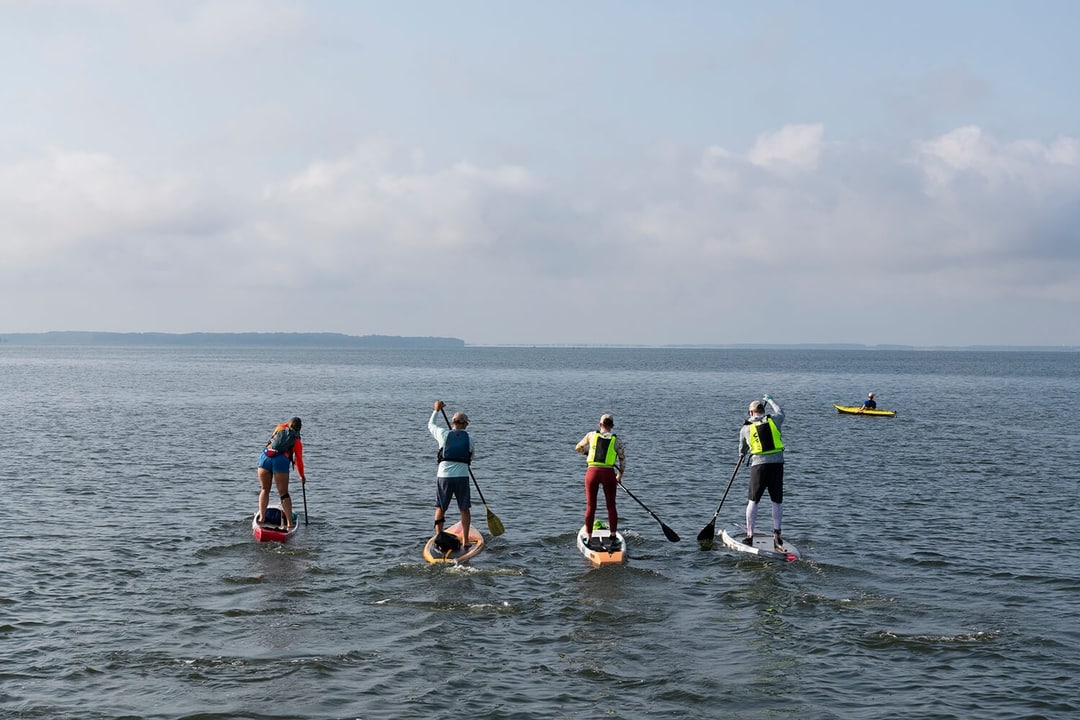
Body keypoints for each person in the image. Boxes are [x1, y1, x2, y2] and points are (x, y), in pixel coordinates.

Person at [739, 395, 786, 550]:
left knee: (753, 501)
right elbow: (781, 411)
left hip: (759, 466)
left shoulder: (745, 428)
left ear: (751, 412)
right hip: (777, 465)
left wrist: (742, 454)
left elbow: (742, 449)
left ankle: (750, 535)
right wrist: (771, 400)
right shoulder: (774, 420)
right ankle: (777, 534)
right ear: (763, 410)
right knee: (776, 500)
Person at [574, 413, 626, 550]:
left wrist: (588, 453)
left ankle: (588, 537)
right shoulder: (617, 441)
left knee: (591, 505)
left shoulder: (591, 435)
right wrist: (619, 476)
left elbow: (578, 447)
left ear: (600, 425)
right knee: (611, 506)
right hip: (608, 474)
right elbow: (622, 460)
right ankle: (613, 537)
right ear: (612, 426)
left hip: (592, 473)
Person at [428, 400, 475, 550]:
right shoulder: (470, 439)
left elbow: (430, 425)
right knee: (464, 509)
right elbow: (470, 457)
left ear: (453, 422)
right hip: (462, 476)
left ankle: (439, 538)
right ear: (465, 425)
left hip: (444, 476)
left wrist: (436, 410)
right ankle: (466, 541)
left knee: (440, 508)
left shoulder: (443, 434)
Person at [256, 416, 305, 529]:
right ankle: (289, 524)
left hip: (265, 457)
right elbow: (298, 460)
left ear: (288, 423)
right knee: (284, 494)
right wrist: (301, 476)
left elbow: (273, 441)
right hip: (280, 460)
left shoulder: (279, 428)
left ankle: (262, 518)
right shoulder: (297, 441)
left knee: (264, 489)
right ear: (300, 429)